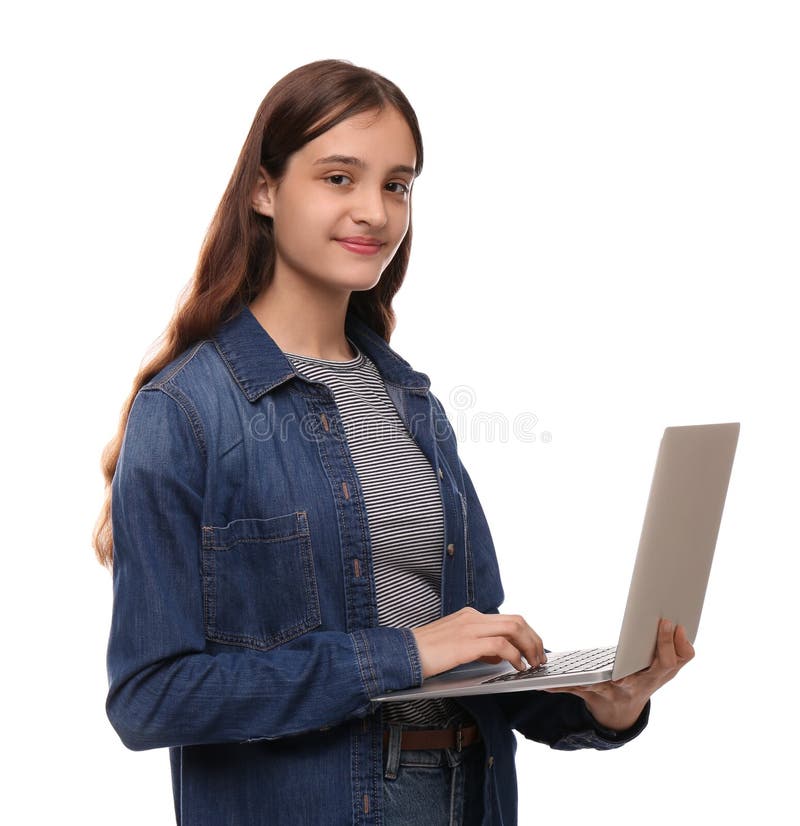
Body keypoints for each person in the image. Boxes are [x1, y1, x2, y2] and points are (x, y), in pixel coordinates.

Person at [93, 59, 695, 826]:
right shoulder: (186, 411)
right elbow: (151, 699)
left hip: (464, 800)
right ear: (264, 189)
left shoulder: (412, 404)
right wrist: (400, 654)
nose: (374, 211)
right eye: (339, 177)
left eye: (397, 185)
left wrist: (608, 705)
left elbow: (468, 657)